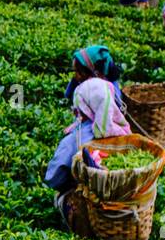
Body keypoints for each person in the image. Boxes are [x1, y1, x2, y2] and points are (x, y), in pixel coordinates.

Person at [45, 76, 131, 230]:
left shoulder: (74, 139)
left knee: (62, 195)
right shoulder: (123, 134)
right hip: (126, 210)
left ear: (83, 108)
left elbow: (53, 178)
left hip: (91, 211)